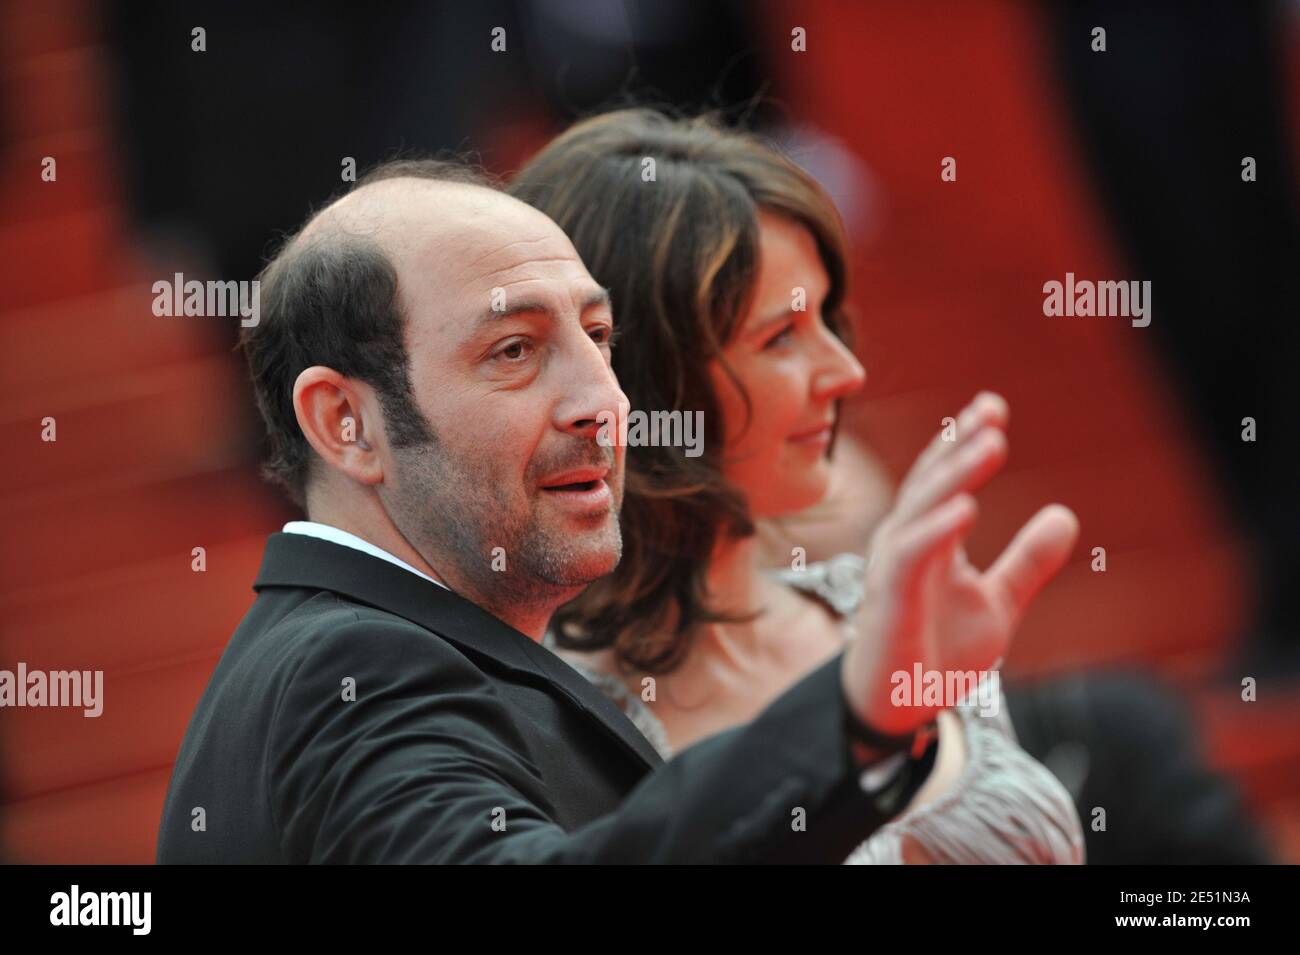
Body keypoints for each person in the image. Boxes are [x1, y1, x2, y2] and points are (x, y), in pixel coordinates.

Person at [157, 157, 1078, 864]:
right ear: (345, 423)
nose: (604, 398)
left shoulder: (373, 648)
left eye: (598, 336)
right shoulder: (354, 668)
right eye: (514, 350)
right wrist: (856, 716)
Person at [508, 109, 1085, 863]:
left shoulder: (880, 608)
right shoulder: (555, 726)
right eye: (781, 335)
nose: (848, 372)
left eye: (829, 321)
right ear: (641, 381)